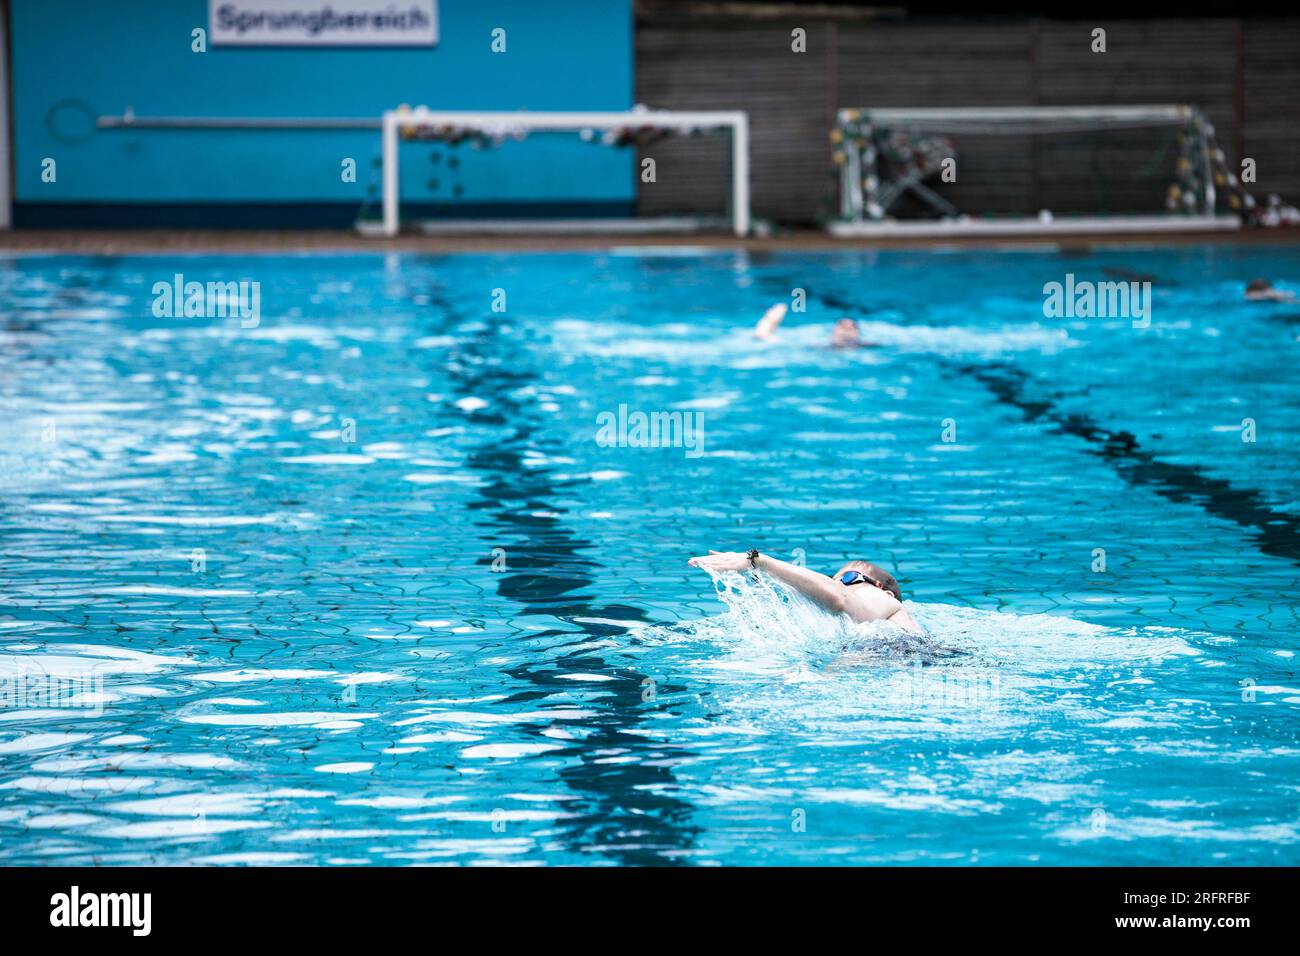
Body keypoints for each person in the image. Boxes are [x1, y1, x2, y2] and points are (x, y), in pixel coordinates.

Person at [687, 549, 923, 635]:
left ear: (886, 592)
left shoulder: (886, 602)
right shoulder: (866, 634)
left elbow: (839, 599)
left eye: (850, 579)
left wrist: (759, 561)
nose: (839, 585)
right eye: (833, 580)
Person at [753, 303, 869, 349]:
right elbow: (762, 337)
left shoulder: (870, 346)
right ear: (834, 331)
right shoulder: (818, 347)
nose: (846, 331)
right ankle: (769, 321)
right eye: (843, 327)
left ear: (857, 332)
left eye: (850, 328)